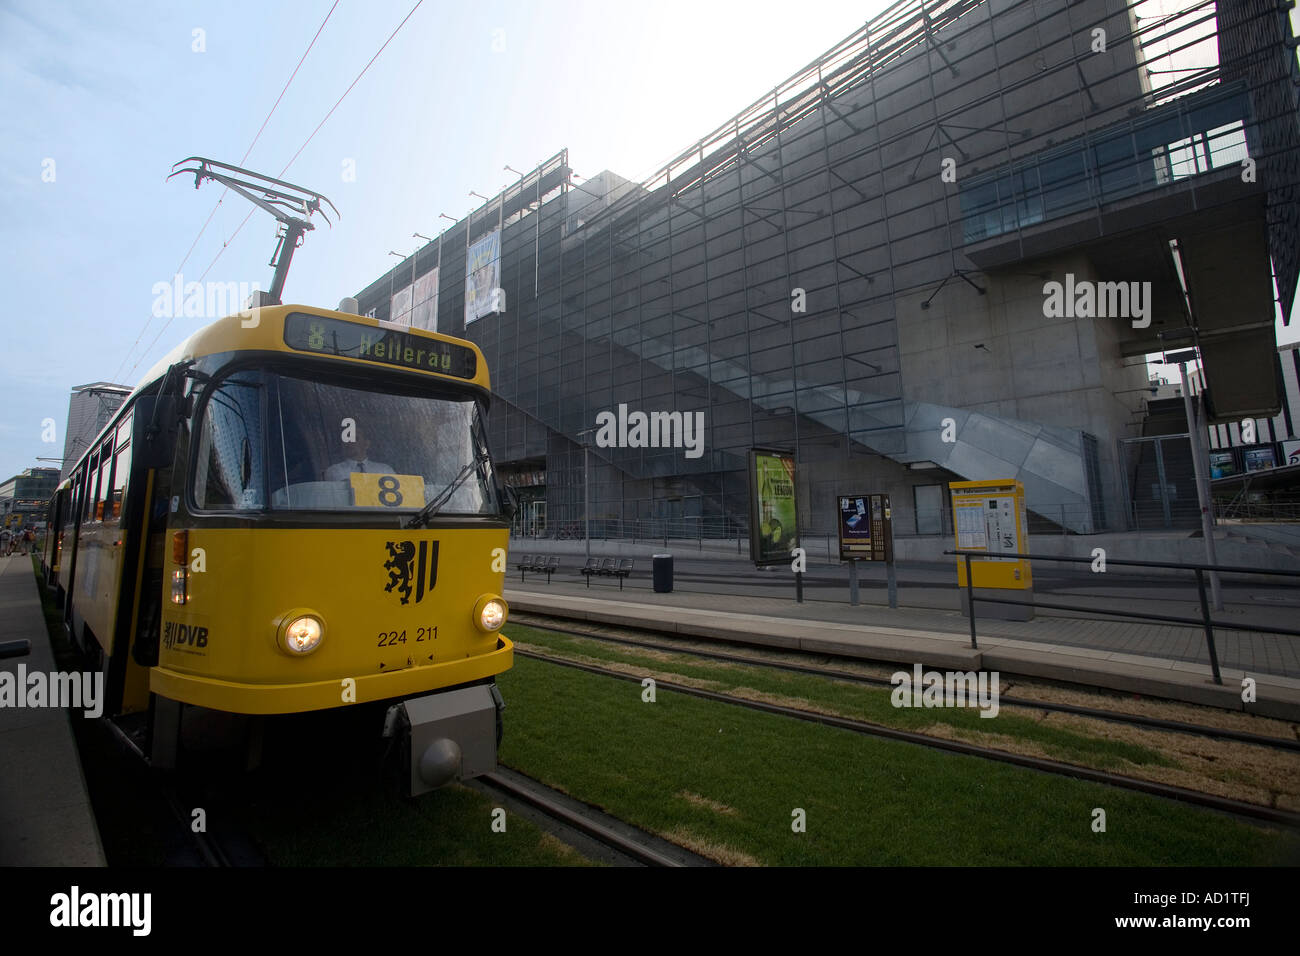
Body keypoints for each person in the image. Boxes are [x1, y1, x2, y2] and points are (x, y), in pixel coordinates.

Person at [323, 428, 396, 481]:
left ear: (366, 444)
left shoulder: (384, 470)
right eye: (346, 439)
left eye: (355, 438)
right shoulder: (334, 471)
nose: (349, 443)